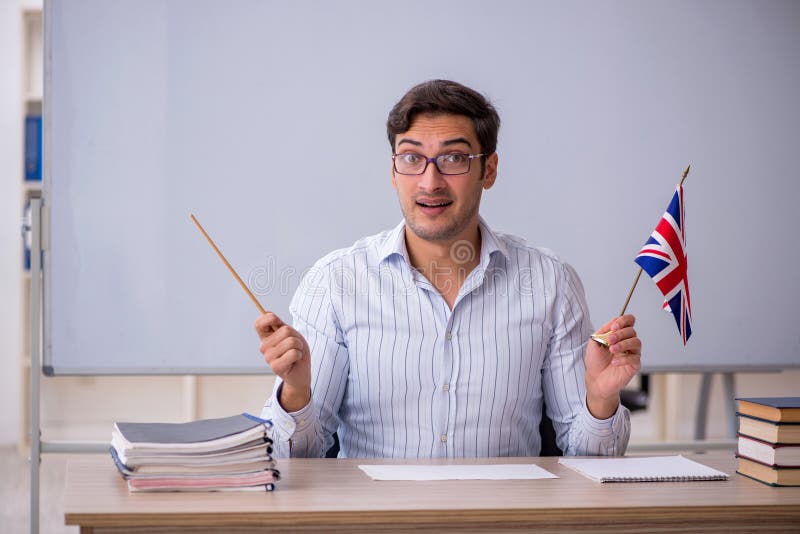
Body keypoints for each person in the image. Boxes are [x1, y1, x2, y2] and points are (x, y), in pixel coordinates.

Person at [255, 79, 641, 458]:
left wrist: (601, 399)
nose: (430, 181)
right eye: (411, 158)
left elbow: (588, 460)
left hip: (505, 519)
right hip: (379, 520)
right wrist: (296, 394)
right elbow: (294, 462)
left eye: (454, 158)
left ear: (488, 170)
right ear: (393, 171)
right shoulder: (335, 283)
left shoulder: (550, 282)